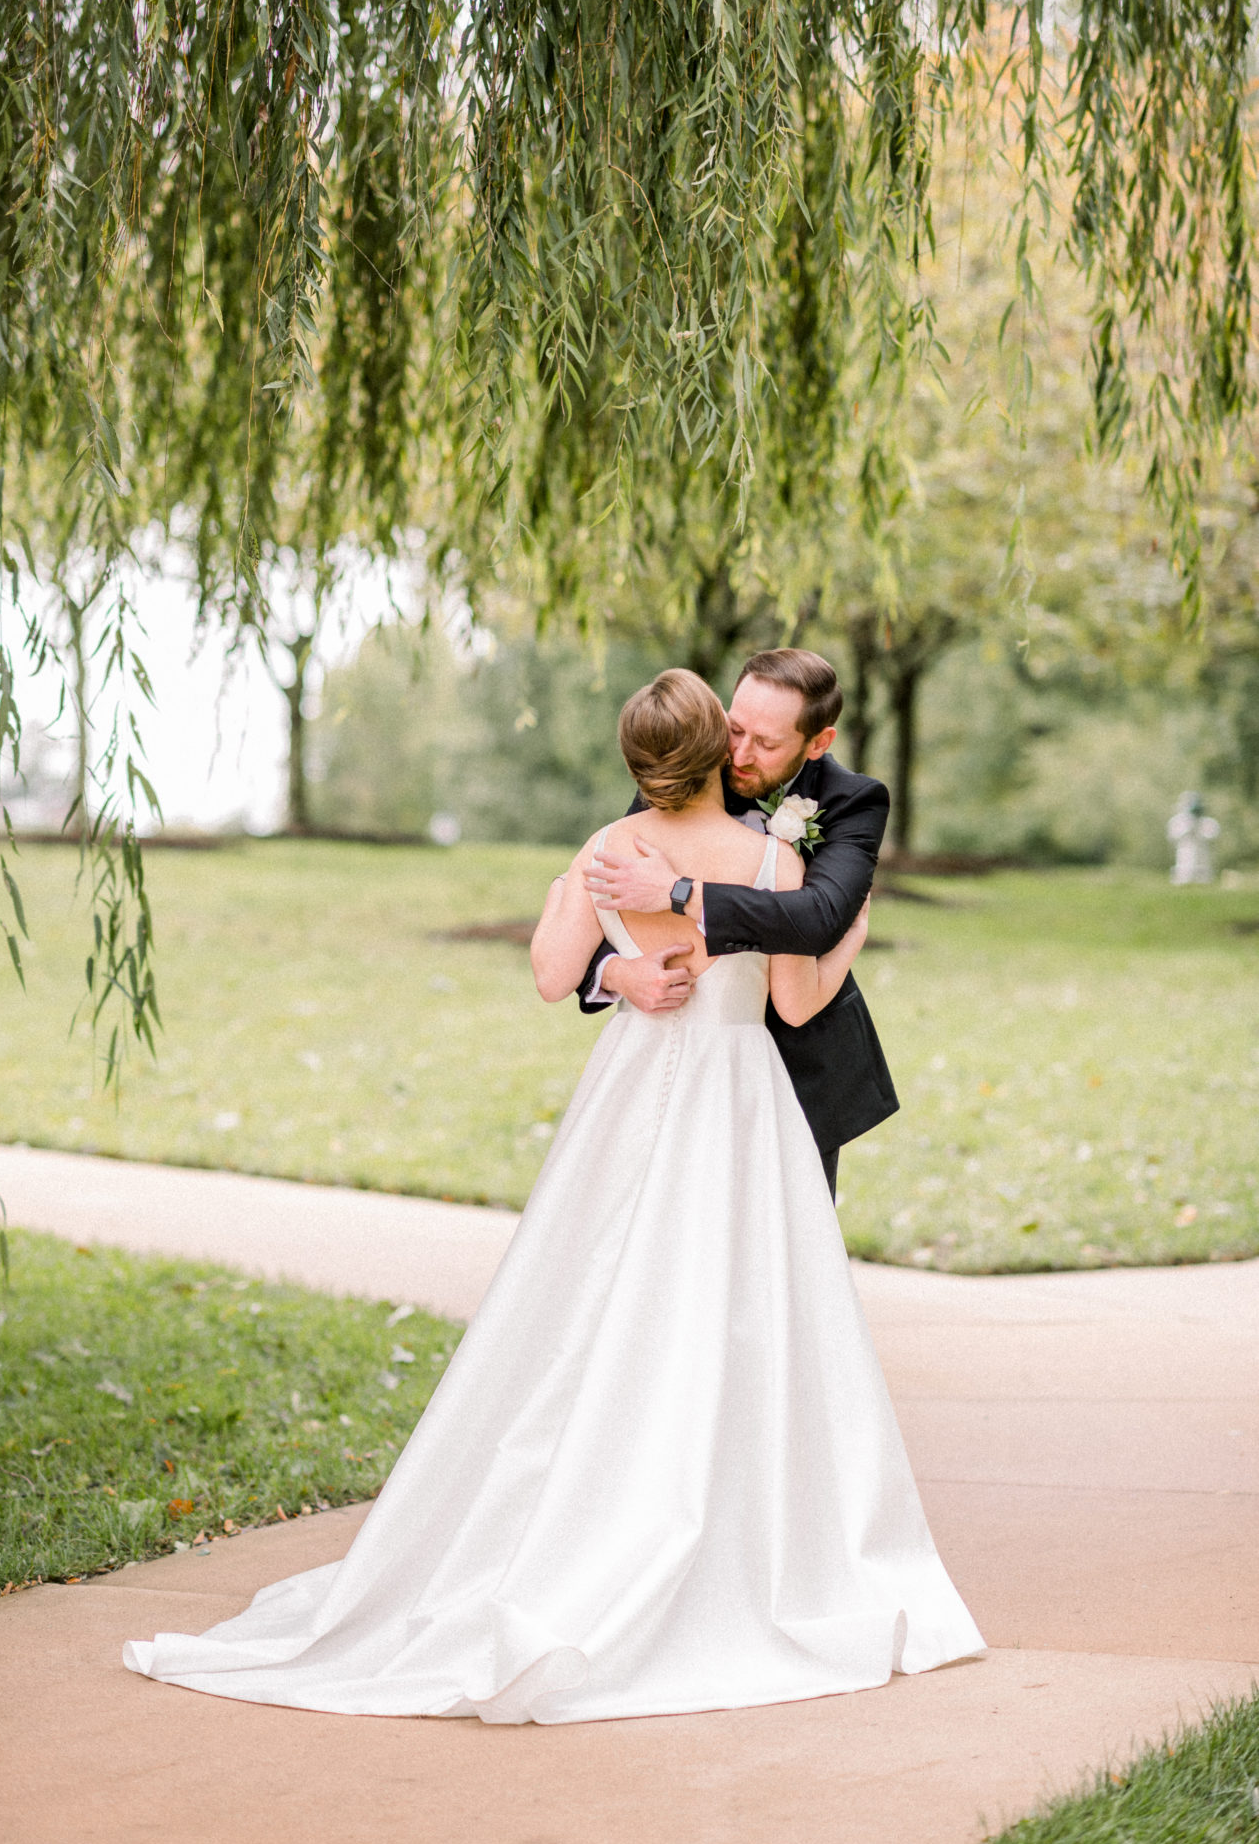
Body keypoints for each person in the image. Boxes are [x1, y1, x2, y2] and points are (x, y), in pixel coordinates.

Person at [122, 669, 982, 1724]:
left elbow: (547, 969)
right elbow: (799, 997)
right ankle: (735, 1527)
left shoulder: (605, 849)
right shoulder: (772, 858)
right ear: (720, 748)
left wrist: (618, 975)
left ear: (637, 764)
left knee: (586, 1296)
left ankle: (574, 1505)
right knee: (739, 1310)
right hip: (738, 1102)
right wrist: (839, 922)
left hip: (628, 1094)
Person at [579, 648, 897, 1199]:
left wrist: (680, 893)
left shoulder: (854, 802)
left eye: (767, 743)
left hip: (800, 1065)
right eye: (734, 728)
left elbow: (817, 918)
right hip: (677, 1065)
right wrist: (615, 974)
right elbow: (606, 897)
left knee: (782, 1251)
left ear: (818, 742)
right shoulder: (685, 769)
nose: (739, 754)